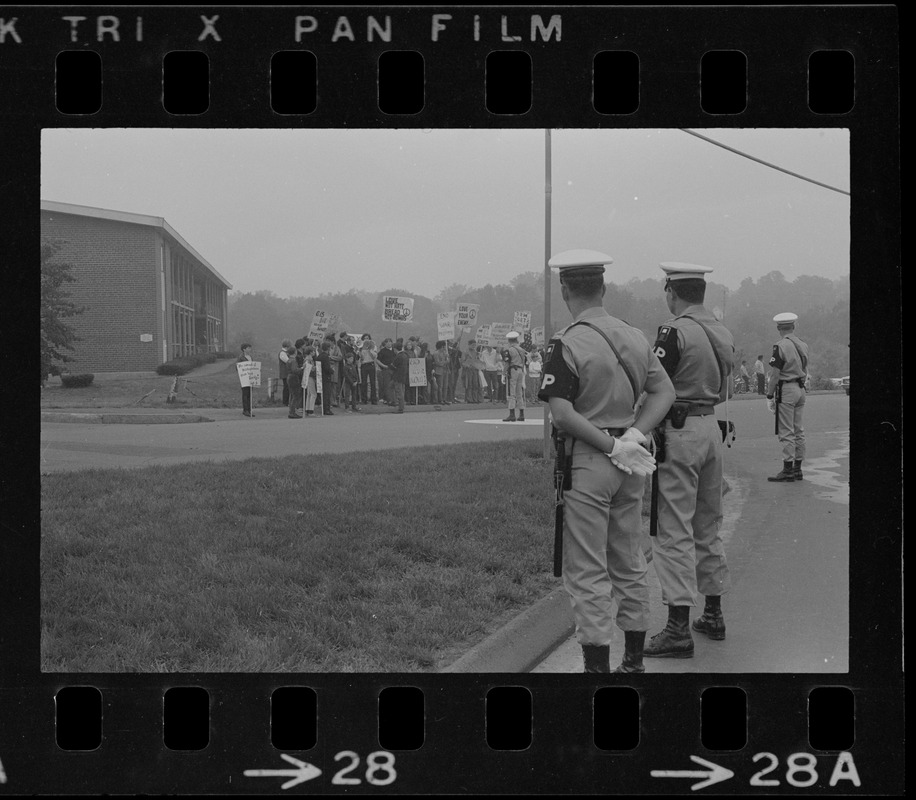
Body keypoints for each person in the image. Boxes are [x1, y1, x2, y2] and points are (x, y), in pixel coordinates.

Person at [539, 249, 675, 673]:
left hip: (589, 460)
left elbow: (561, 413)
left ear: (565, 290)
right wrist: (635, 434)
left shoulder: (566, 342)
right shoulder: (635, 336)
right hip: (630, 461)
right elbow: (664, 393)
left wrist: (612, 446)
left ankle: (596, 669)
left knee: (587, 570)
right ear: (604, 287)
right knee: (629, 560)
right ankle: (633, 662)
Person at [644, 262, 735, 659]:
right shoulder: (722, 330)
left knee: (674, 529)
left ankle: (678, 627)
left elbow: (655, 383)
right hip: (711, 426)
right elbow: (727, 385)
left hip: (679, 432)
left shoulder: (674, 331)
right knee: (708, 524)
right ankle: (712, 613)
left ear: (672, 291)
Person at [765, 312, 810, 482]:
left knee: (786, 430)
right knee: (798, 429)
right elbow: (805, 368)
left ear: (779, 328)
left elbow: (775, 375)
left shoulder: (780, 346)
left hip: (787, 389)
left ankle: (787, 469)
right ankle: (798, 469)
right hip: (800, 388)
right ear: (794, 326)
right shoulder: (802, 344)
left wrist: (769, 395)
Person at [502, 332, 528, 421]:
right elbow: (524, 362)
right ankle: (521, 413)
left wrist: (503, 373)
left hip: (513, 370)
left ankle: (512, 414)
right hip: (520, 369)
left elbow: (507, 363)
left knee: (512, 392)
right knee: (519, 393)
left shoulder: (509, 350)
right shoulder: (522, 350)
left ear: (509, 340)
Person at [358, 334, 380, 405]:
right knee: (364, 382)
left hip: (371, 364)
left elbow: (374, 357)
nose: (366, 339)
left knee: (372, 382)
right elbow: (361, 358)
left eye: (367, 338)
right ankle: (364, 399)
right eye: (365, 338)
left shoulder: (373, 346)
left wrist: (370, 349)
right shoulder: (361, 347)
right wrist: (360, 351)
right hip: (364, 365)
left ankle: (374, 399)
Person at [390, 340, 410, 413]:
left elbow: (393, 366)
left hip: (397, 376)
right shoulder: (405, 355)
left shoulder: (398, 356)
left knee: (399, 392)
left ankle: (400, 408)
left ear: (395, 349)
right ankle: (394, 401)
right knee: (393, 387)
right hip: (403, 376)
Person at [237, 343, 255, 417]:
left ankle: (249, 409)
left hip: (251, 377)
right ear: (244, 349)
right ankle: (245, 410)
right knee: (245, 394)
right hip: (244, 378)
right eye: (248, 348)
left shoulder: (250, 357)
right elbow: (238, 367)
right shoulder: (241, 358)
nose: (250, 349)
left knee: (250, 394)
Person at [317, 341, 335, 415]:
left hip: (320, 377)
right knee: (326, 394)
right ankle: (326, 409)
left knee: (323, 394)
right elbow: (327, 368)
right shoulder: (326, 357)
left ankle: (324, 408)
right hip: (326, 377)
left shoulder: (319, 356)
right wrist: (332, 370)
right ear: (328, 349)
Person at [377, 338, 396, 405]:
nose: (389, 343)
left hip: (394, 370)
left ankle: (394, 399)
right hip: (386, 370)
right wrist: (384, 366)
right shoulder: (382, 351)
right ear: (385, 343)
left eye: (390, 342)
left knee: (394, 385)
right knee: (387, 385)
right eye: (387, 342)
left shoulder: (394, 351)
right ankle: (388, 400)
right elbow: (378, 360)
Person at [278, 339, 293, 407]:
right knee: (286, 387)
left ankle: (288, 401)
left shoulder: (286, 352)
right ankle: (285, 402)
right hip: (285, 373)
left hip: (288, 373)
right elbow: (287, 361)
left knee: (289, 387)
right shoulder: (282, 353)